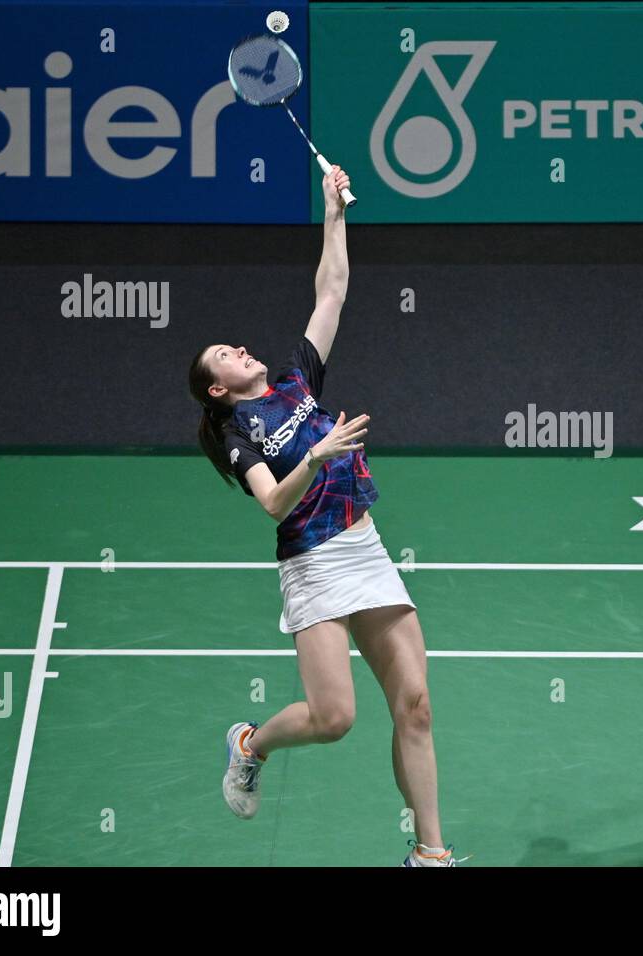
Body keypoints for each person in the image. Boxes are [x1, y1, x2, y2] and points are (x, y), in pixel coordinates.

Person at [187, 166, 462, 867]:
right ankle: (249, 744)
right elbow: (274, 502)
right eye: (227, 356)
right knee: (336, 719)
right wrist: (321, 452)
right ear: (219, 388)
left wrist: (333, 211)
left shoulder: (295, 380)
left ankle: (431, 854)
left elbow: (331, 290)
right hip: (311, 565)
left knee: (417, 706)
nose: (241, 348)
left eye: (238, 344)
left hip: (364, 549)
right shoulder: (235, 432)